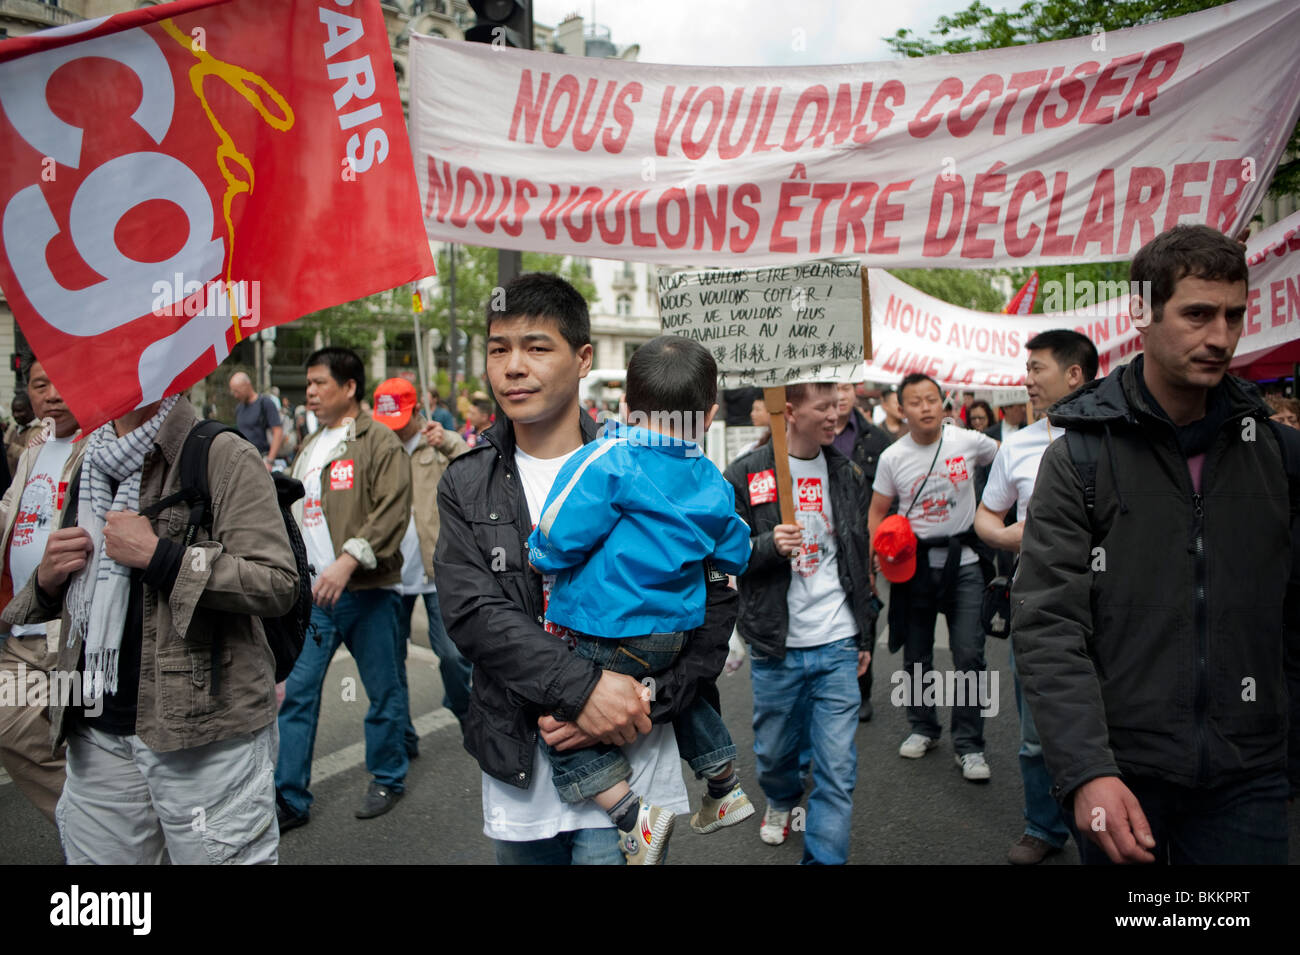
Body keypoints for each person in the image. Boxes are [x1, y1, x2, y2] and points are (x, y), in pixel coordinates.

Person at [1014, 224, 1297, 865]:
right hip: (1122, 769)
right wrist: (1087, 769)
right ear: (1142, 313)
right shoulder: (1078, 458)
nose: (1221, 336)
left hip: (1248, 774)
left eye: (1234, 315)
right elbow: (1049, 624)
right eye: (1198, 314)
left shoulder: (1277, 456)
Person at [435, 272, 737, 865]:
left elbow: (717, 605)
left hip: (636, 767)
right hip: (520, 773)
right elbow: (472, 614)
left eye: (536, 347)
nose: (513, 367)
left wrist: (644, 697)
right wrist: (585, 691)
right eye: (499, 349)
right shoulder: (466, 481)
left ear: (583, 359)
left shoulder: (660, 465)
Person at [1, 391, 297, 864]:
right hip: (94, 726)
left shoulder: (221, 453)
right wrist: (47, 579)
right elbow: (78, 591)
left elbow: (276, 583)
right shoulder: (91, 462)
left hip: (202, 730)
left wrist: (160, 556)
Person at [527, 336, 753, 864]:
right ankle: (723, 783)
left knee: (560, 724)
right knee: (689, 698)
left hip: (607, 627)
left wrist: (538, 554)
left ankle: (631, 816)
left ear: (626, 406)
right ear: (710, 414)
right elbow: (735, 550)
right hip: (674, 633)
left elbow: (560, 533)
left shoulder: (609, 458)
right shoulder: (712, 479)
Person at [724, 382, 875, 864]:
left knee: (837, 770)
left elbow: (857, 557)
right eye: (825, 406)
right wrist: (769, 546)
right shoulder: (744, 474)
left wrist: (864, 634)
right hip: (775, 646)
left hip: (837, 642)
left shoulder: (848, 472)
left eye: (839, 404)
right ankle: (783, 799)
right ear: (788, 410)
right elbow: (722, 558)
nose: (837, 414)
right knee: (773, 754)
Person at [973, 330, 1099, 865]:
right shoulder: (1018, 445)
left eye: (1036, 368)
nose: (1026, 380)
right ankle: (1042, 828)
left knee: (1118, 726)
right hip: (1037, 610)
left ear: (1075, 375)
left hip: (1110, 609)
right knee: (1035, 735)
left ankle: (1107, 828)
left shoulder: (1118, 440)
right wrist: (1012, 536)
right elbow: (985, 517)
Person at [276, 348, 412, 830]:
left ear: (349, 387)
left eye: (319, 383)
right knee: (297, 694)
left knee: (382, 691)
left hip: (367, 591)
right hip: (313, 597)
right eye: (308, 384)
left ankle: (388, 776)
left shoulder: (379, 442)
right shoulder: (311, 445)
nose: (309, 392)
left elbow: (392, 510)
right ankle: (289, 796)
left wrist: (348, 560)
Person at [869, 373, 999, 781]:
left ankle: (970, 745)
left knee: (969, 655)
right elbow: (876, 510)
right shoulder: (893, 457)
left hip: (965, 566)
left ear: (944, 404)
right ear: (900, 409)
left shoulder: (969, 442)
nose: (925, 407)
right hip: (915, 568)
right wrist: (879, 552)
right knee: (917, 654)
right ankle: (922, 726)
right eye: (915, 401)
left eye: (932, 399)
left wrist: (996, 512)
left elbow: (1010, 464)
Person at [0, 356, 84, 824]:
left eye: (62, 380)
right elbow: (14, 511)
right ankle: (101, 836)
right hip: (23, 627)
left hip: (72, 632)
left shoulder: (104, 444)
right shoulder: (34, 448)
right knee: (12, 726)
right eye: (39, 384)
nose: (51, 394)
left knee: (92, 750)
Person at [370, 377, 473, 741]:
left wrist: (448, 440)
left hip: (435, 571)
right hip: (389, 574)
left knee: (452, 654)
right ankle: (403, 735)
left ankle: (465, 711)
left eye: (400, 421)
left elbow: (473, 469)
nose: (394, 431)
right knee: (390, 662)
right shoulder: (376, 448)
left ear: (416, 411)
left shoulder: (435, 446)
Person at [832, 381, 895, 722]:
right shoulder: (811, 432)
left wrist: (877, 546)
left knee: (863, 610)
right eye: (832, 389)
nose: (839, 397)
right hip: (823, 536)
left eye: (844, 388)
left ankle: (862, 686)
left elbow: (887, 499)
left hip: (861, 538)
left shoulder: (876, 438)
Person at [228, 371, 284, 469]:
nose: (235, 395)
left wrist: (270, 461)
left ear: (247, 385)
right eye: (233, 392)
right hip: (245, 462)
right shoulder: (239, 408)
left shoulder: (265, 403)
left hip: (262, 459)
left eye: (237, 391)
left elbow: (278, 432)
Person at [5, 393, 39, 479]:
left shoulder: (39, 430)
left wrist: (9, 448)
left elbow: (30, 456)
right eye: (14, 411)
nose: (16, 415)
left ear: (32, 409)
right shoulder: (13, 428)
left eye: (20, 411)